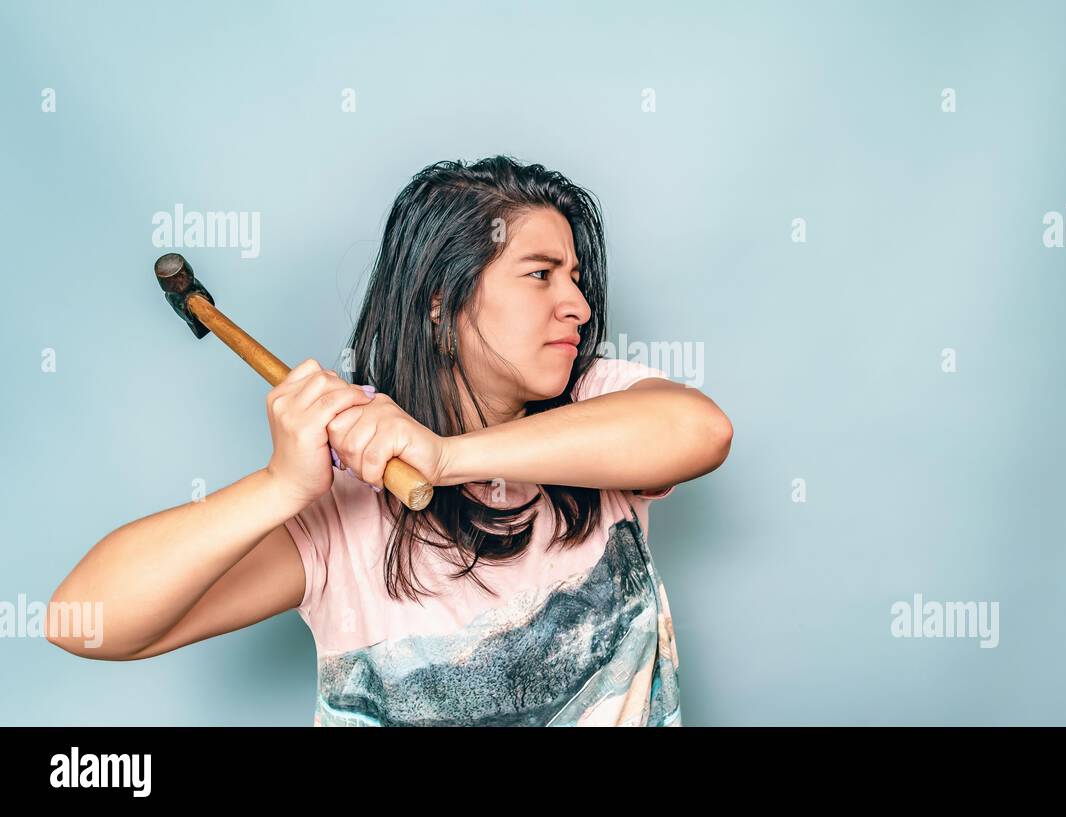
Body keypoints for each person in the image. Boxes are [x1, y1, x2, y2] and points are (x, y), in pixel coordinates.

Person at [46, 156, 733, 727]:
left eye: (577, 278)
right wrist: (278, 486)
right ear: (441, 298)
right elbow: (85, 620)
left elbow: (702, 430)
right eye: (540, 273)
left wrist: (447, 456)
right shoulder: (342, 518)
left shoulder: (594, 409)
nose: (578, 304)